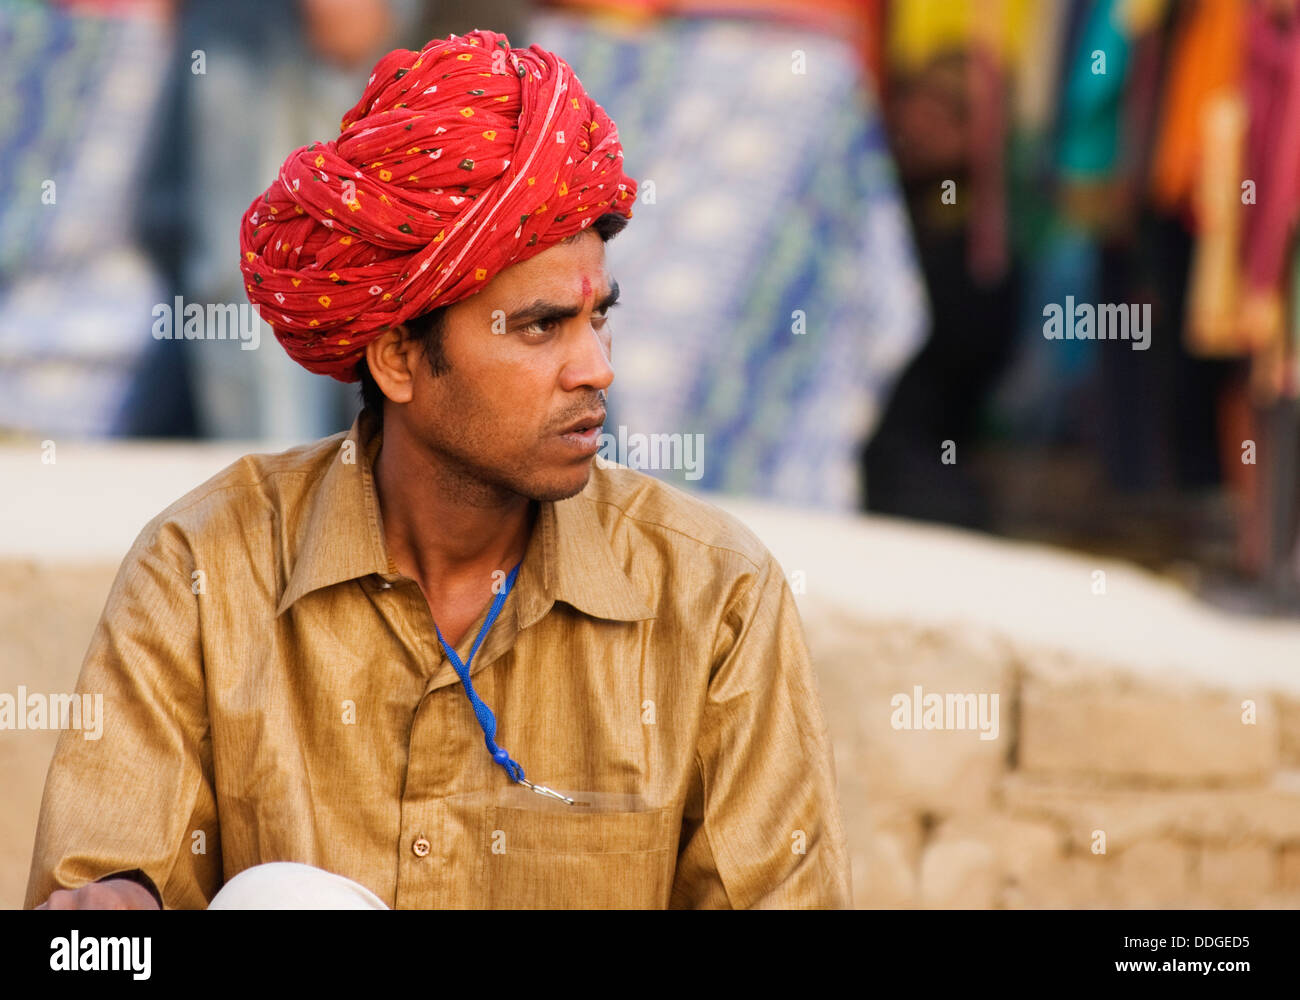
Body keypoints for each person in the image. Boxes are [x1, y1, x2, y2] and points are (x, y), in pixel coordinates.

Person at [26, 29, 852, 910]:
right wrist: (113, 912)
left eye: (597, 319)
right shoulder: (203, 568)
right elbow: (101, 900)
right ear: (397, 359)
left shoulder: (716, 597)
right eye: (541, 328)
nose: (596, 368)